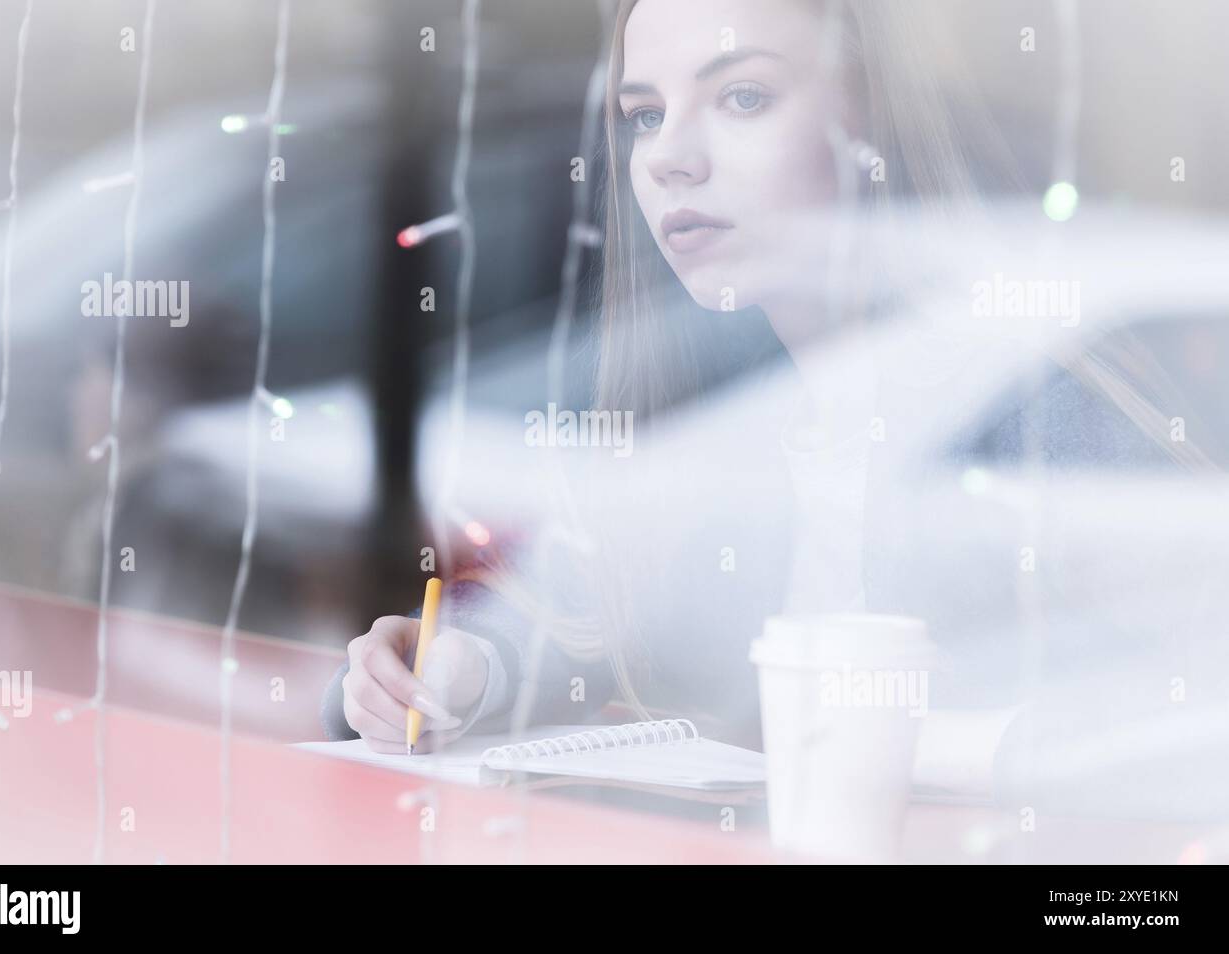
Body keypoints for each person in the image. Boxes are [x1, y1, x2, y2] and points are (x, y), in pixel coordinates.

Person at [322, 0, 1229, 818]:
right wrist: (455, 673)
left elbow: (1194, 720)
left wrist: (940, 745)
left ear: (869, 125)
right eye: (645, 115)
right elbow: (573, 615)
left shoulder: (1042, 410)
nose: (670, 156)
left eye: (743, 98)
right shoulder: (733, 410)